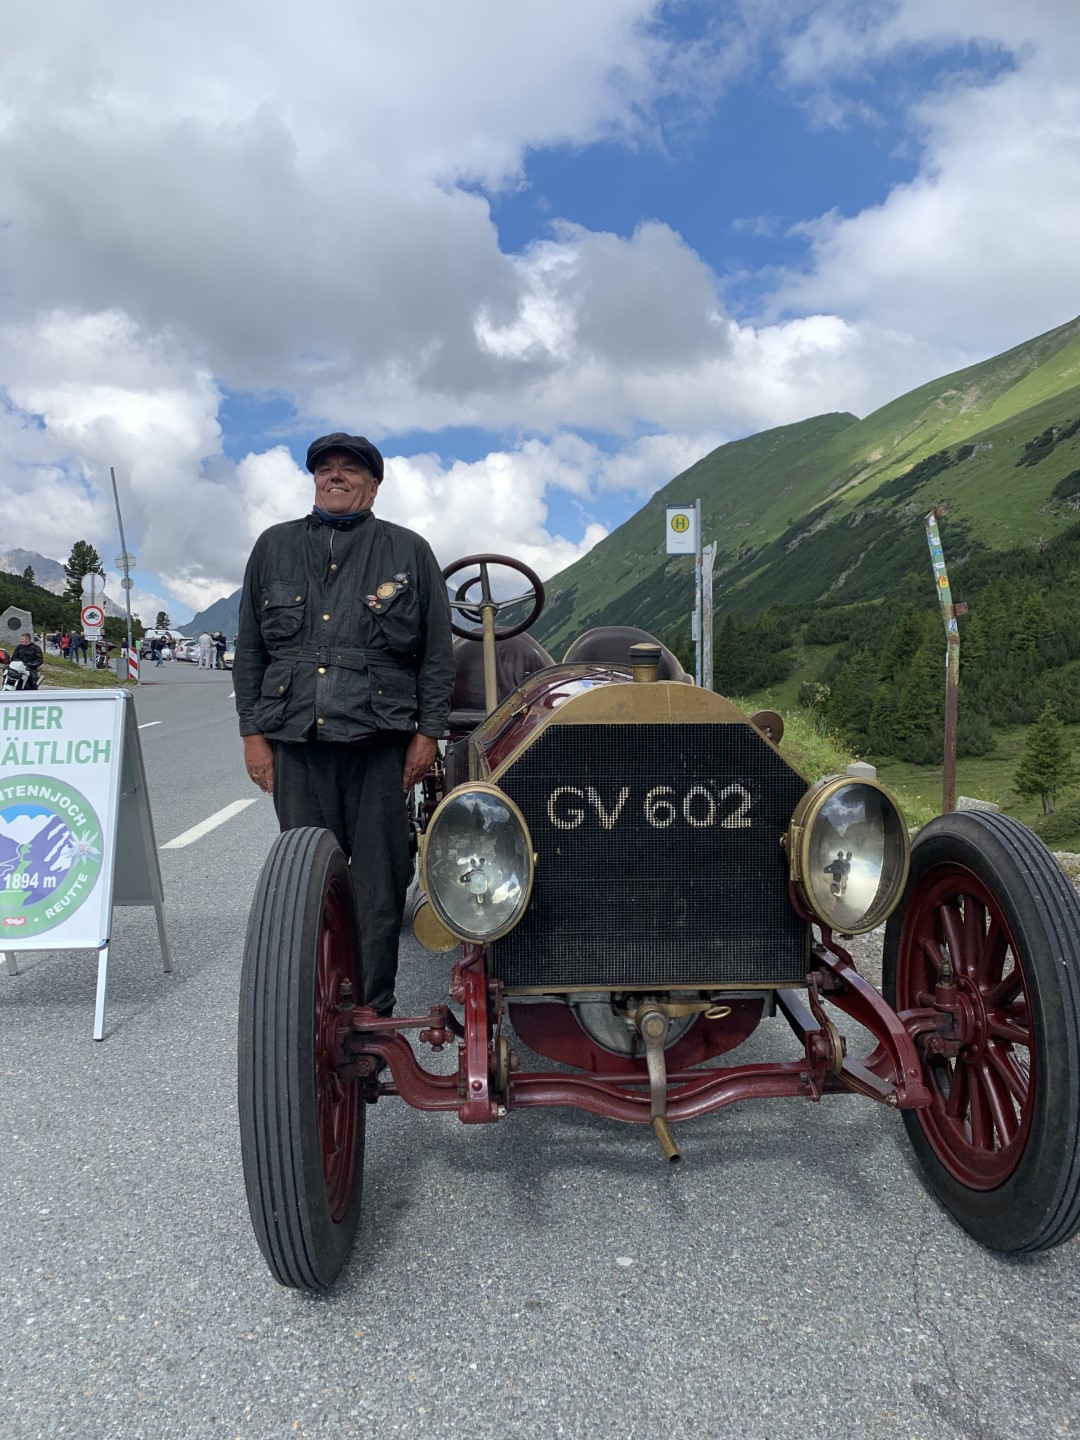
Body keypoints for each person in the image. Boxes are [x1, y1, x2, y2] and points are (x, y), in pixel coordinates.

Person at [233, 431, 454, 1018]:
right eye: (325, 468)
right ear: (314, 479)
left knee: (380, 888)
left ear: (373, 486)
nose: (335, 476)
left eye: (350, 469)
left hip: (379, 746)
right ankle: (318, 1013)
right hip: (297, 744)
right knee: (305, 885)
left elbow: (436, 654)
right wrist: (253, 735)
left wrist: (427, 734)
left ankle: (373, 1013)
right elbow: (250, 650)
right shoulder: (274, 546)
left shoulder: (409, 551)